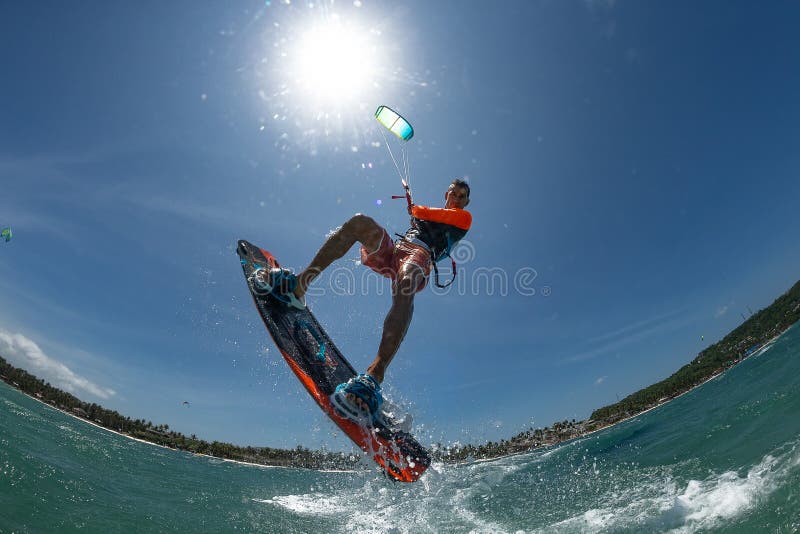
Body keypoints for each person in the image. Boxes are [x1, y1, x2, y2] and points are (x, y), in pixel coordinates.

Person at [251, 179, 472, 423]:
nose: (458, 198)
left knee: (406, 281)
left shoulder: (462, 219)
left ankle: (373, 377)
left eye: (463, 196)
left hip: (419, 258)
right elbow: (422, 215)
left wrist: (416, 211)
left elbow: (428, 213)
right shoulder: (428, 216)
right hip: (397, 250)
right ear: (447, 193)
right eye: (455, 193)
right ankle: (299, 286)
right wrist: (416, 215)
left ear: (466, 202)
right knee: (360, 223)